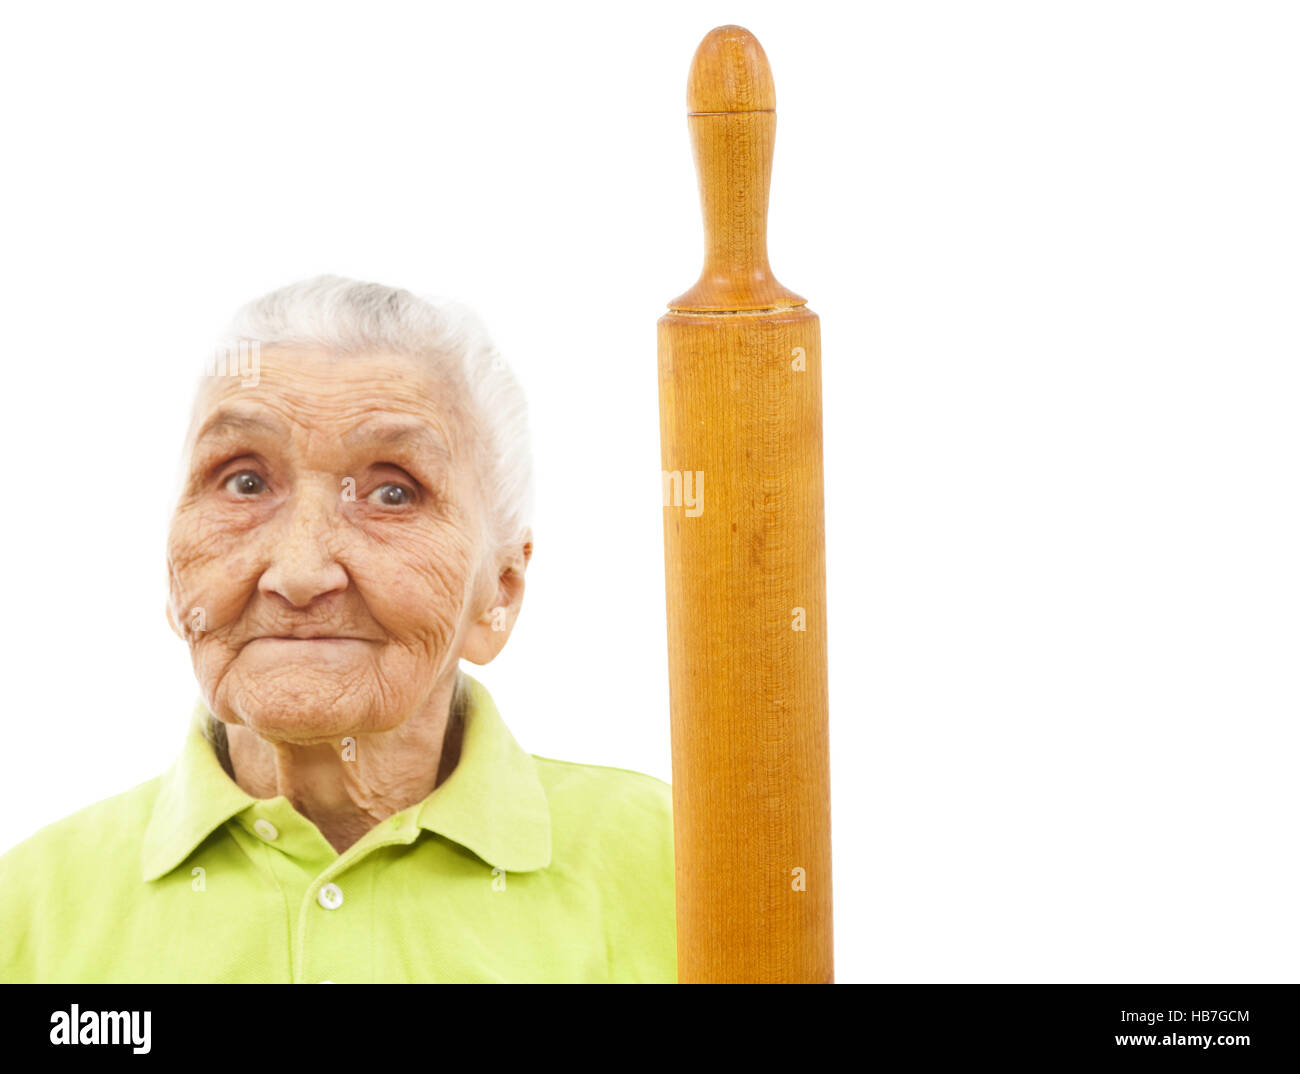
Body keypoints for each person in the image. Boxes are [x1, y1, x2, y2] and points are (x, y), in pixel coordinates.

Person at [0, 275, 676, 983]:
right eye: (244, 481)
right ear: (172, 576)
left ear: (498, 592)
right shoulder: (27, 916)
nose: (299, 572)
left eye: (392, 492)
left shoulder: (693, 874)